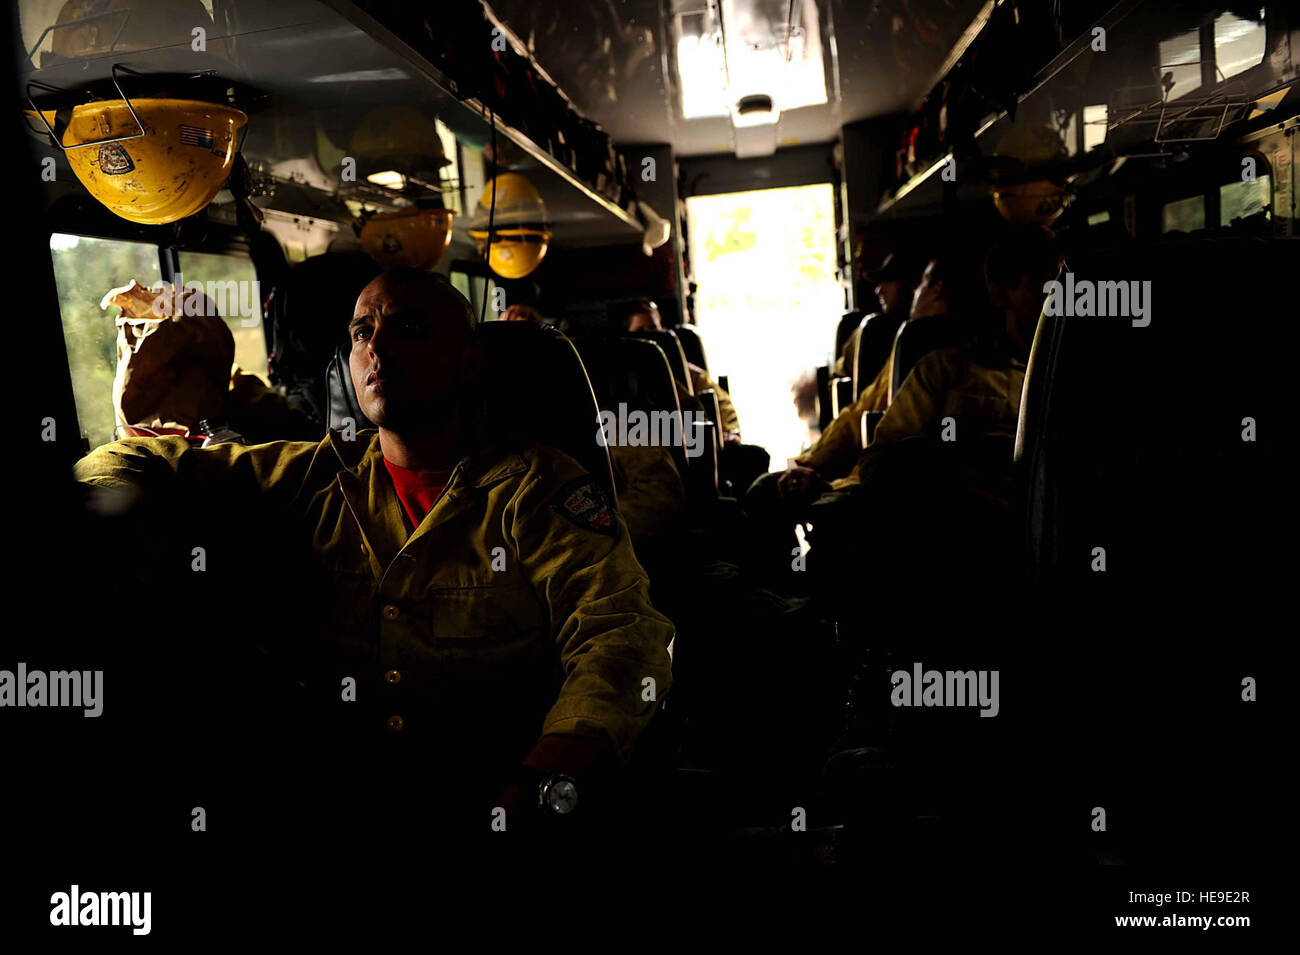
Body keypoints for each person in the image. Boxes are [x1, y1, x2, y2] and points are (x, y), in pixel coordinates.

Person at [74, 268, 675, 838]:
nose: (378, 348)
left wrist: (550, 775)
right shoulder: (312, 471)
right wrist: (111, 513)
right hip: (334, 793)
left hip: (494, 789)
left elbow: (619, 633)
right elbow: (126, 460)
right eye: (363, 332)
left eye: (409, 328)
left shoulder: (539, 488)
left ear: (468, 361)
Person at [741, 251, 980, 587]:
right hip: (892, 481)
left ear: (937, 289)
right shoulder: (923, 345)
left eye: (922, 283)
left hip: (901, 490)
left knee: (766, 493)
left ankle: (793, 598)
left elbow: (880, 444)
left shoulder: (927, 354)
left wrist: (815, 469)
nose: (913, 292)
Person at [621, 299, 742, 442]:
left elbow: (720, 400)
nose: (649, 336)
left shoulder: (685, 371)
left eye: (653, 329)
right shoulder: (620, 379)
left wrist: (730, 431)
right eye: (640, 331)